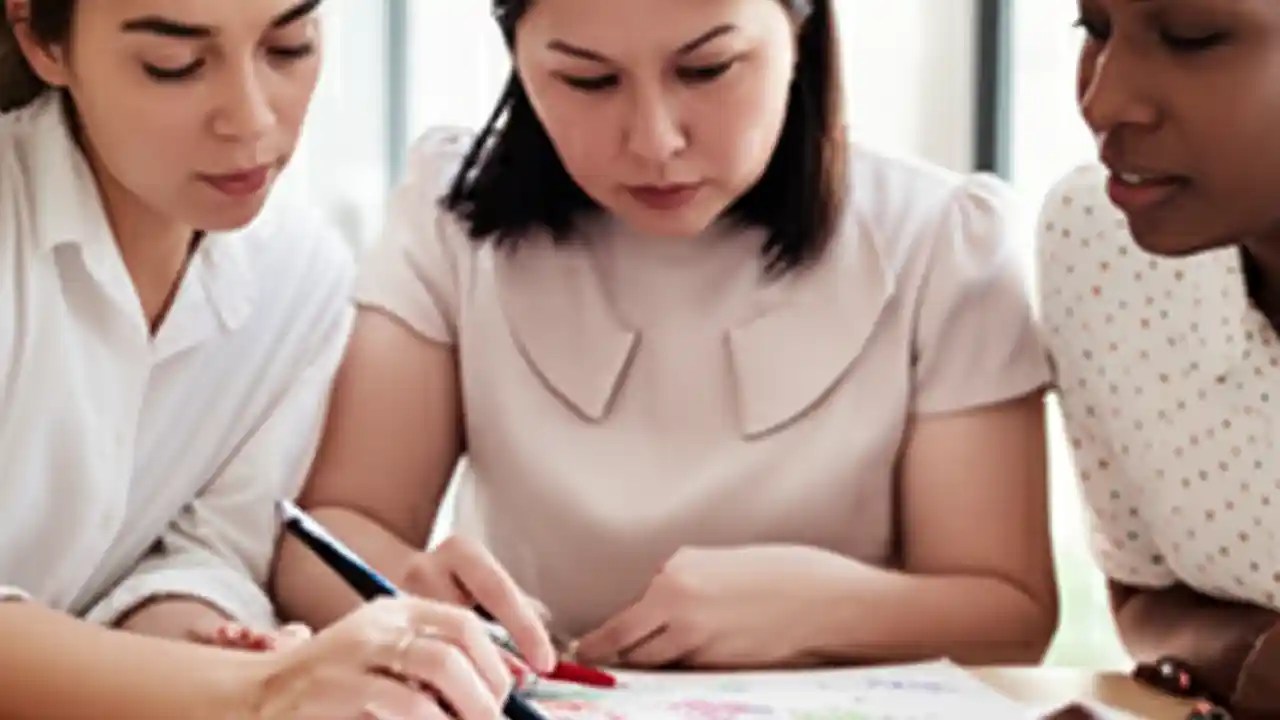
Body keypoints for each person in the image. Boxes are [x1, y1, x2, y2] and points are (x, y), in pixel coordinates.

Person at [276, 0, 1059, 669]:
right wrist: (411, 591)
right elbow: (330, 535)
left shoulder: (941, 241)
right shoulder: (451, 220)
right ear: (516, 55)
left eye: (708, 69)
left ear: (800, 31)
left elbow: (1010, 614)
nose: (654, 141)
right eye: (588, 80)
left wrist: (815, 610)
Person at [0, 0, 549, 717]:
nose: (251, 120)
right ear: (40, 40)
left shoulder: (298, 275)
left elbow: (203, 551)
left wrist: (217, 641)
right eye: (175, 65)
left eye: (289, 46)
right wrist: (253, 691)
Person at [1037, 0, 1280, 716]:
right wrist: (1253, 658)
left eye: (1192, 39)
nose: (1101, 102)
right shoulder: (1103, 243)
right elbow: (1144, 595)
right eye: (1095, 28)